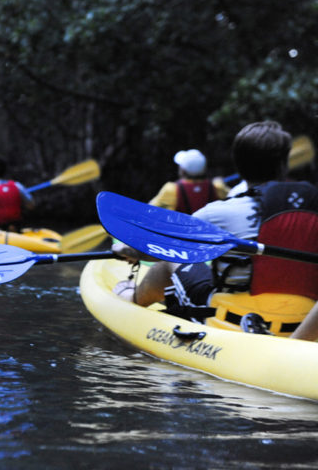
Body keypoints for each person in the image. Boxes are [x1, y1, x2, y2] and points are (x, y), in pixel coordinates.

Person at [112, 121, 318, 340]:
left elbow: (159, 250)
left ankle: (132, 299)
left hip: (231, 319)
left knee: (170, 261)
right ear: (283, 166)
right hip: (303, 322)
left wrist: (126, 249)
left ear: (239, 165)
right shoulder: (313, 211)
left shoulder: (217, 212)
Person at [148, 149, 228, 214]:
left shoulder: (171, 189)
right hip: (210, 233)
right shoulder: (217, 186)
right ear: (204, 169)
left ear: (183, 170)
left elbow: (149, 208)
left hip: (181, 233)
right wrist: (221, 184)